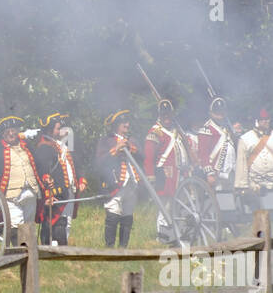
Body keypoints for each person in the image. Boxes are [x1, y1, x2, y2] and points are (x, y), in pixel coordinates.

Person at [0, 116, 43, 240]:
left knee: (28, 224)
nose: (11, 133)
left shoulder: (27, 146)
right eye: (8, 131)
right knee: (16, 225)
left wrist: (45, 177)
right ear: (3, 134)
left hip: (31, 191)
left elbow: (38, 163)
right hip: (11, 194)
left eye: (13, 130)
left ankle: (29, 253)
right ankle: (19, 252)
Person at [144, 99, 195, 241]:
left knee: (182, 206)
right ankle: (164, 238)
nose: (167, 118)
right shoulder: (155, 132)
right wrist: (151, 177)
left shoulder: (177, 131)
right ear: (160, 115)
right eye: (164, 115)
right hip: (164, 176)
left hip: (181, 175)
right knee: (165, 207)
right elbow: (148, 157)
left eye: (169, 115)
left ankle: (180, 235)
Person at [33, 112, 84, 245]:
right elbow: (43, 170)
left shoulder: (60, 145)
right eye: (58, 128)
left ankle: (62, 248)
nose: (61, 130)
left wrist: (80, 179)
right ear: (50, 130)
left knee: (66, 222)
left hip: (67, 190)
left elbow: (75, 163)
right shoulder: (44, 147)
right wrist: (48, 193)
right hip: (56, 192)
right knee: (55, 223)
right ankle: (54, 249)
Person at [94, 110, 140, 247]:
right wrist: (116, 149)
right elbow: (99, 162)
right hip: (114, 184)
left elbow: (143, 156)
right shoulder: (106, 141)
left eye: (127, 122)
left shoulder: (131, 141)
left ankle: (123, 248)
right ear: (116, 125)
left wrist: (130, 148)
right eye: (123, 122)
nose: (127, 124)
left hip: (131, 184)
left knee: (127, 216)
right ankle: (110, 249)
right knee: (113, 216)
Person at [234, 110, 273, 194]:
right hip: (255, 184)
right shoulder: (245, 139)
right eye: (263, 119)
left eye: (267, 119)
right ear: (256, 121)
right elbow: (241, 163)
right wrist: (242, 185)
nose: (266, 121)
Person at [196, 97, 236, 187]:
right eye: (217, 111)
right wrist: (209, 173)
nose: (220, 114)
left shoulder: (227, 128)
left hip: (231, 171)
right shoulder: (206, 129)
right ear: (211, 113)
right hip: (216, 172)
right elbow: (203, 153)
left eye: (221, 111)